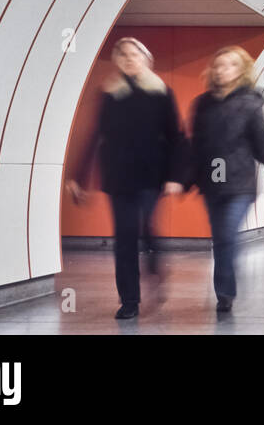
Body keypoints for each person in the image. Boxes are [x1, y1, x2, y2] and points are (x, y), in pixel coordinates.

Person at [66, 37, 185, 320]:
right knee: (124, 237)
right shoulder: (109, 94)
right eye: (123, 55)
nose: (130, 58)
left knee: (147, 228)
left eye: (135, 54)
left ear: (146, 59)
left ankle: (155, 267)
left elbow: (177, 137)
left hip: (151, 174)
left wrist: (176, 176)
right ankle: (129, 300)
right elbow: (95, 135)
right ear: (118, 61)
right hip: (118, 175)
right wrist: (77, 176)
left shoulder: (161, 93)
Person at [187, 46, 264, 314]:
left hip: (239, 184)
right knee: (220, 238)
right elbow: (195, 145)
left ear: (241, 71)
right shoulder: (202, 105)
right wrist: (185, 177)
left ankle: (224, 293)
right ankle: (227, 281)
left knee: (226, 234)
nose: (221, 70)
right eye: (217, 65)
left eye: (229, 65)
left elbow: (263, 145)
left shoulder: (250, 104)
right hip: (212, 183)